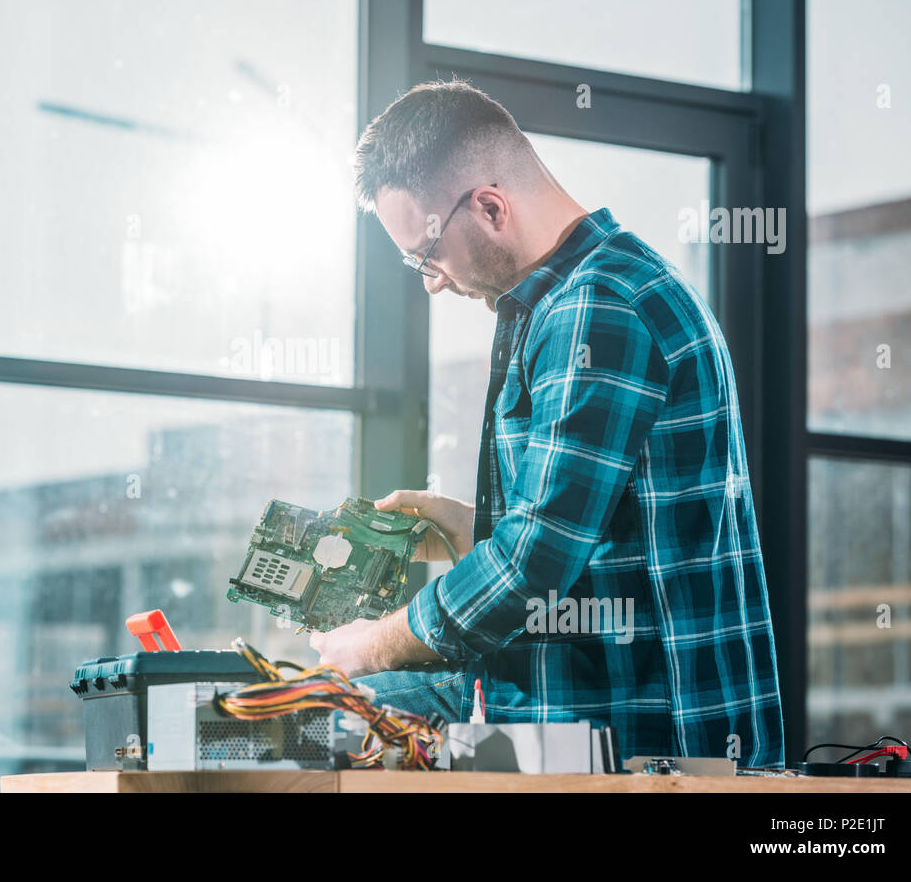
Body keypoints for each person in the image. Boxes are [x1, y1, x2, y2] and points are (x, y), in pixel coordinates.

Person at [308, 78, 785, 768]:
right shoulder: (585, 295)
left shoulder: (600, 308)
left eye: (426, 252)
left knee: (341, 692)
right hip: (592, 708)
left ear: (491, 207)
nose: (431, 279)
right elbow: (600, 531)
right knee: (334, 705)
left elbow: (534, 564)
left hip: (652, 753)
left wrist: (373, 641)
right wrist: (471, 525)